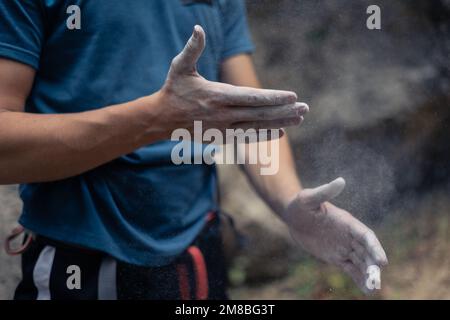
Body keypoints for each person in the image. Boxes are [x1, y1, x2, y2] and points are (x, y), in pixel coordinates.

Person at [0, 0, 387, 300]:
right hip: (84, 261)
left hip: (199, 262)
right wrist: (157, 118)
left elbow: (248, 115)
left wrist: (291, 205)